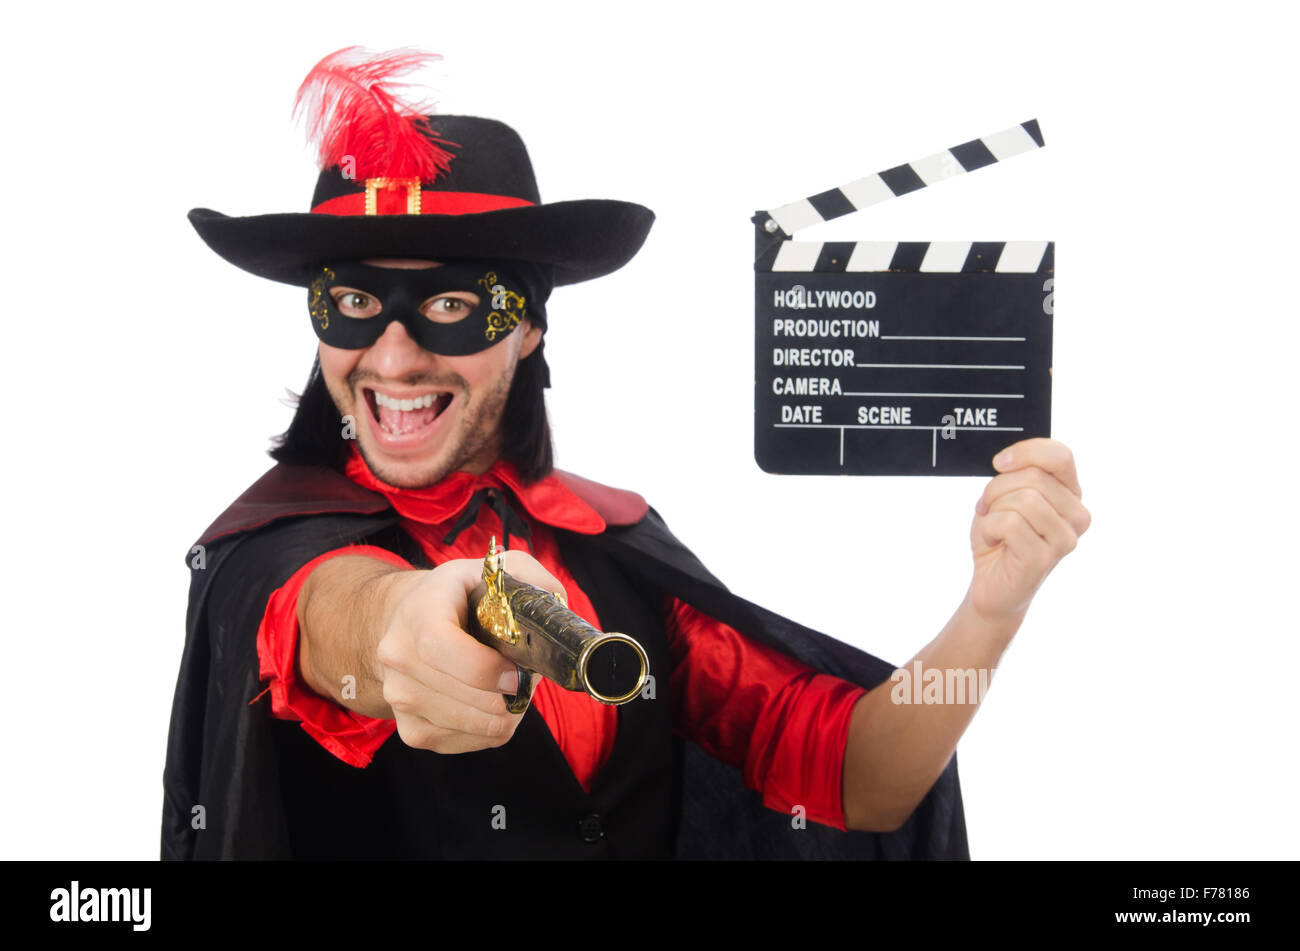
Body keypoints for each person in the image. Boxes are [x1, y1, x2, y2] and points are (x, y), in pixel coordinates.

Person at [161, 47, 1090, 860]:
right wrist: (400, 625)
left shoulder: (611, 539)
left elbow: (861, 778)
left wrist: (990, 611)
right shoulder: (269, 553)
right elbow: (334, 619)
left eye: (450, 305)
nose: (395, 356)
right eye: (354, 304)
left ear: (526, 329)